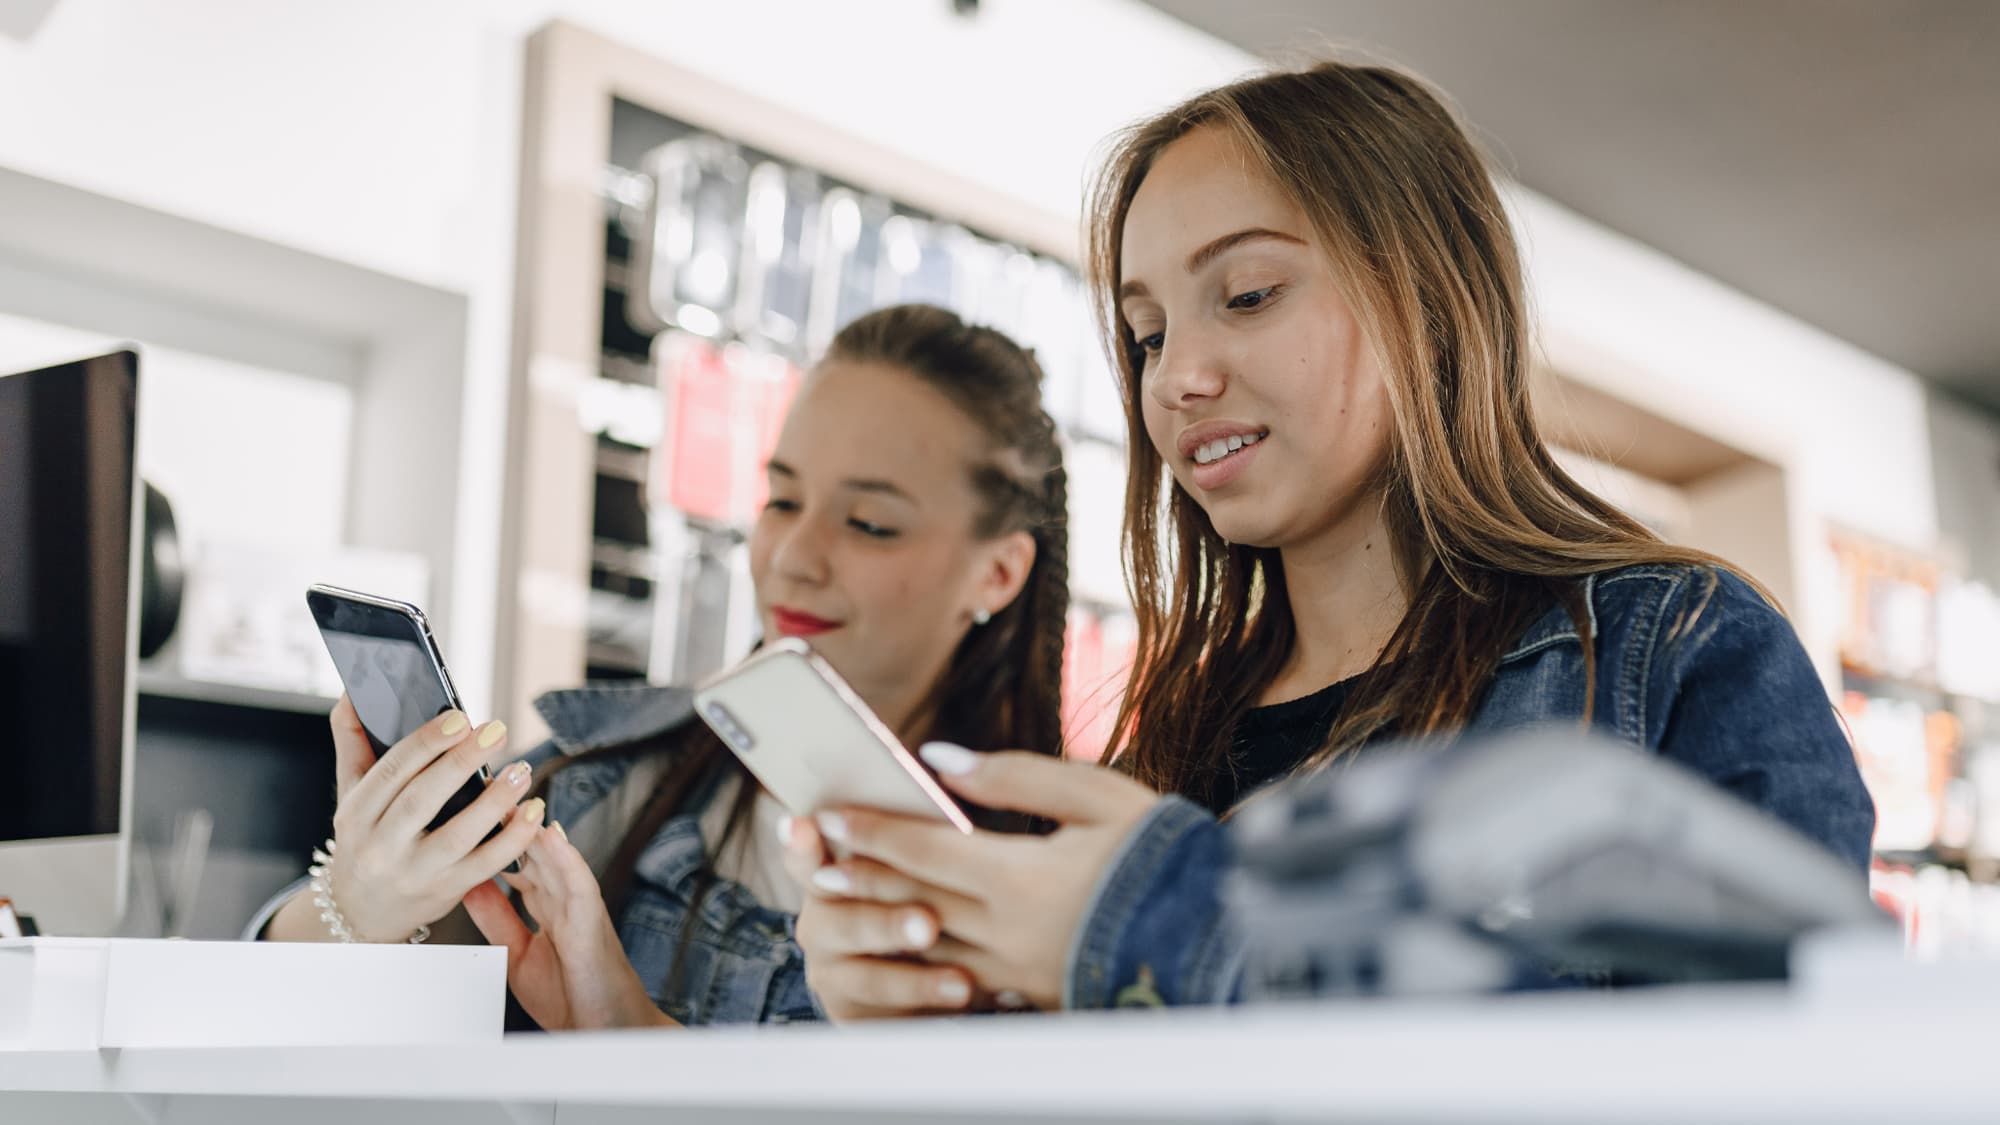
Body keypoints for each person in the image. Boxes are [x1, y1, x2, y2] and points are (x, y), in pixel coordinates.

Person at [780, 59, 1878, 1018]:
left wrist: (1170, 924)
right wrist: (936, 1016)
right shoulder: (1165, 742)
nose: (1176, 377)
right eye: (1146, 333)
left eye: (1246, 295)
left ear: (1426, 299)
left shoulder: (1672, 648)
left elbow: (1791, 1079)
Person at [250, 303, 1072, 1027]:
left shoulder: (1066, 887)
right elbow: (256, 1014)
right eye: (782, 499)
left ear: (996, 571)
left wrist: (635, 1041)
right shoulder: (602, 782)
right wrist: (355, 906)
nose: (792, 556)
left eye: (867, 522)